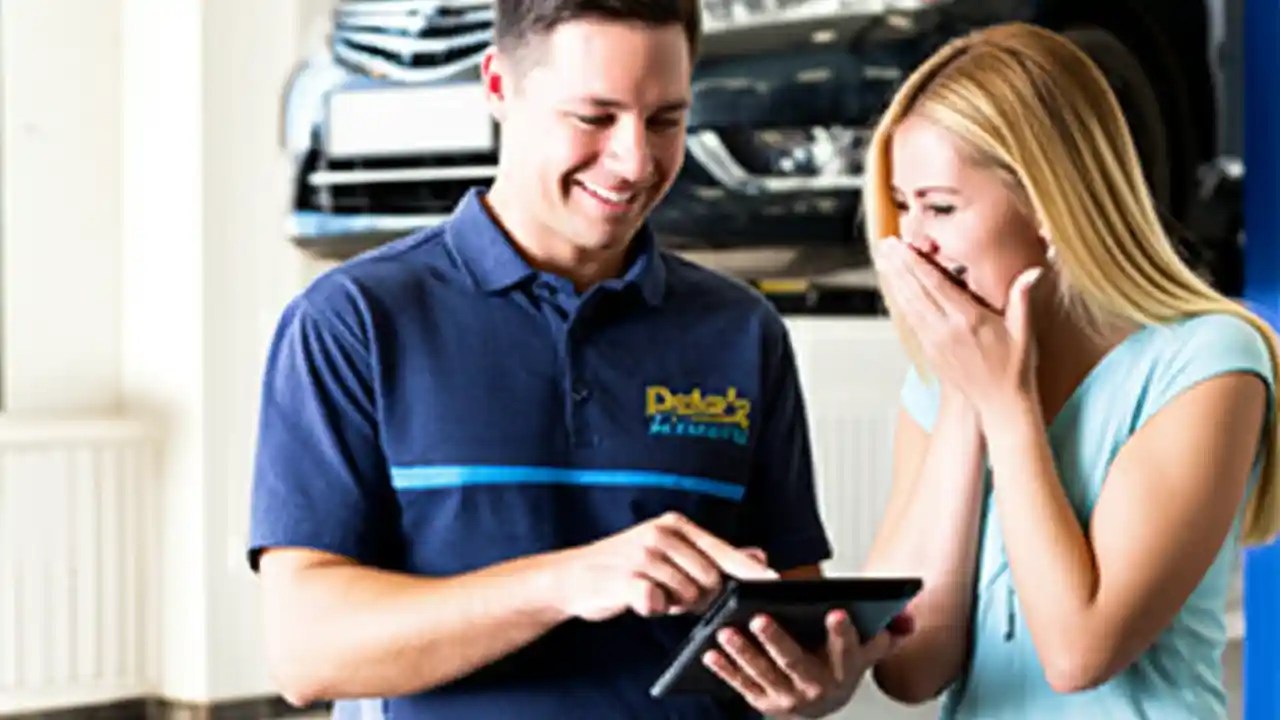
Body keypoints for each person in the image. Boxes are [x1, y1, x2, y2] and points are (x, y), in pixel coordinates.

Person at [247, 2, 906, 718]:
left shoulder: (743, 332)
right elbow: (307, 653)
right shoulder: (354, 322)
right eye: (594, 117)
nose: (636, 161)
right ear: (498, 85)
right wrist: (566, 583)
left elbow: (787, 608)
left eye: (665, 120)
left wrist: (813, 686)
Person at [860, 21, 1280, 719]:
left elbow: (1078, 651)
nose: (913, 241)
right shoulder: (938, 382)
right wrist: (967, 397)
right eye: (903, 207)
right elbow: (908, 668)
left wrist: (1004, 403)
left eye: (940, 206)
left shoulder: (1207, 362)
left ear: (1049, 205)